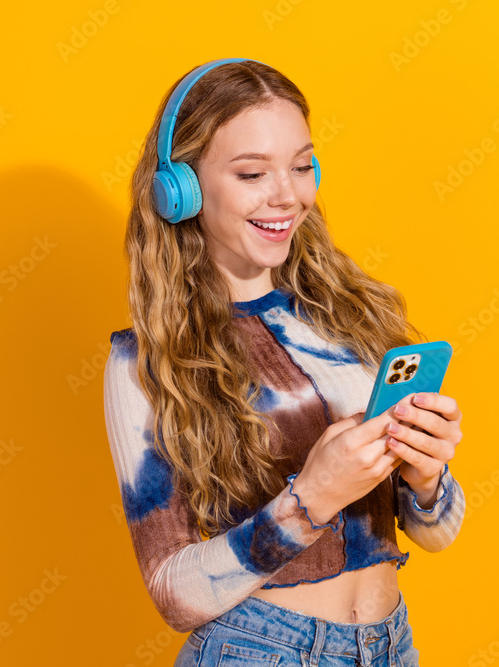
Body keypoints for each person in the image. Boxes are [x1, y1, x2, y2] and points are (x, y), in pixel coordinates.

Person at [103, 58, 466, 667]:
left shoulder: (351, 314)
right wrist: (311, 499)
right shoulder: (148, 362)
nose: (288, 195)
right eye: (252, 173)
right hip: (256, 651)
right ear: (180, 189)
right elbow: (173, 595)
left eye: (301, 167)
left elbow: (436, 533)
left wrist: (426, 480)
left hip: (390, 647)